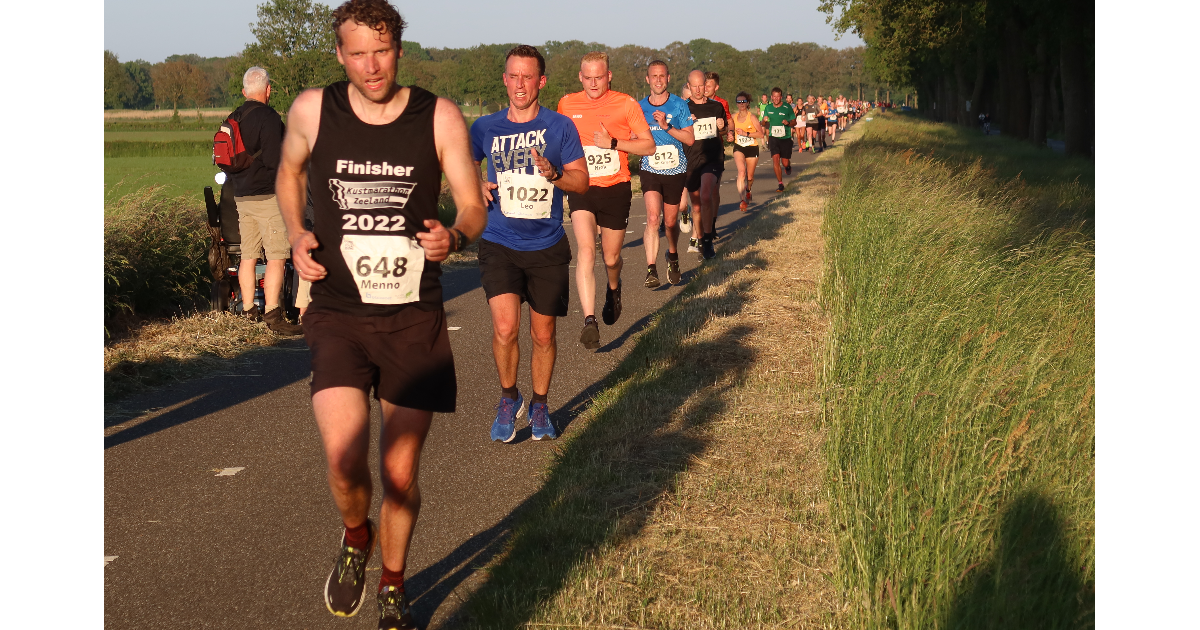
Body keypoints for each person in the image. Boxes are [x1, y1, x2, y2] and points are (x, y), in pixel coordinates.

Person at [274, 1, 488, 628]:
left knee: (400, 472)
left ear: (400, 48)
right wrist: (296, 231)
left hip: (412, 317)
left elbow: (473, 207)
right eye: (358, 52)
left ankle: (393, 583)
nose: (372, 65)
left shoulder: (439, 116)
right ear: (339, 55)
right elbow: (288, 173)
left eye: (383, 49)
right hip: (338, 311)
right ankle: (355, 536)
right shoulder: (313, 109)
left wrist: (457, 236)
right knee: (344, 459)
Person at [470, 45, 589, 443]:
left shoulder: (560, 127)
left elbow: (581, 181)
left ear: (541, 81)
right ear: (504, 79)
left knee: (542, 335)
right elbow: (458, 161)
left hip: (546, 243)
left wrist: (555, 174)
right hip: (499, 240)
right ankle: (509, 397)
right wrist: (473, 185)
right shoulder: (484, 127)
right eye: (513, 76)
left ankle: (540, 404)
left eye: (528, 77)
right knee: (505, 329)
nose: (520, 84)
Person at [558, 52, 655, 348]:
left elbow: (649, 145)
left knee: (611, 258)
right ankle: (589, 321)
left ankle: (614, 288)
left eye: (598, 77)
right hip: (582, 188)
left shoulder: (625, 104)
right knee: (586, 251)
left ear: (609, 75)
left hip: (616, 188)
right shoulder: (567, 104)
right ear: (580, 77)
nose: (593, 83)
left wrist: (613, 142)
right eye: (587, 78)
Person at [226, 66, 302, 335]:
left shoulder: (233, 116)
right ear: (268, 90)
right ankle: (273, 316)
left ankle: (248, 311)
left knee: (247, 255)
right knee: (277, 257)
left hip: (241, 196)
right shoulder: (269, 118)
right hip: (268, 196)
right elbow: (276, 161)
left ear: (245, 91)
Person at [638, 60, 695, 288]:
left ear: (668, 78)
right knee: (653, 218)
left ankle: (672, 255)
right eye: (654, 76)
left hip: (675, 168)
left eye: (662, 76)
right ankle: (651, 269)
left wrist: (666, 127)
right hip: (650, 167)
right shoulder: (639, 107)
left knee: (670, 223)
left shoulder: (680, 105)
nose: (658, 80)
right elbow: (633, 136)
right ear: (648, 80)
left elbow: (689, 139)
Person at [683, 69, 727, 260]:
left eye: (702, 85)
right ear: (689, 86)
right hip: (691, 160)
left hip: (712, 158)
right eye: (695, 86)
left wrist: (722, 127)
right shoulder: (682, 108)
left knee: (706, 195)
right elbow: (675, 132)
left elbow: (724, 129)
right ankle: (701, 239)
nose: (699, 89)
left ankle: (708, 240)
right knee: (697, 206)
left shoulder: (716, 107)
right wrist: (685, 123)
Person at [730, 92, 763, 212]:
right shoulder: (733, 117)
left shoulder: (752, 117)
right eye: (739, 102)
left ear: (748, 103)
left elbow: (760, 134)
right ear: (736, 104)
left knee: (749, 177)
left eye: (743, 101)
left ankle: (748, 189)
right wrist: (729, 134)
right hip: (739, 147)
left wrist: (746, 134)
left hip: (752, 147)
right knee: (741, 172)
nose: (741, 104)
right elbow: (727, 128)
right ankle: (742, 199)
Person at [761, 87, 796, 192]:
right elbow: (763, 124)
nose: (776, 98)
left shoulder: (787, 107)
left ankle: (788, 166)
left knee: (785, 162)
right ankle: (780, 183)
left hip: (785, 138)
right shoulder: (768, 108)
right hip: (773, 137)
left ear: (781, 97)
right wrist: (764, 120)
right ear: (771, 97)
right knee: (775, 158)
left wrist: (788, 123)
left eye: (778, 96)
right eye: (774, 96)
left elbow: (794, 122)